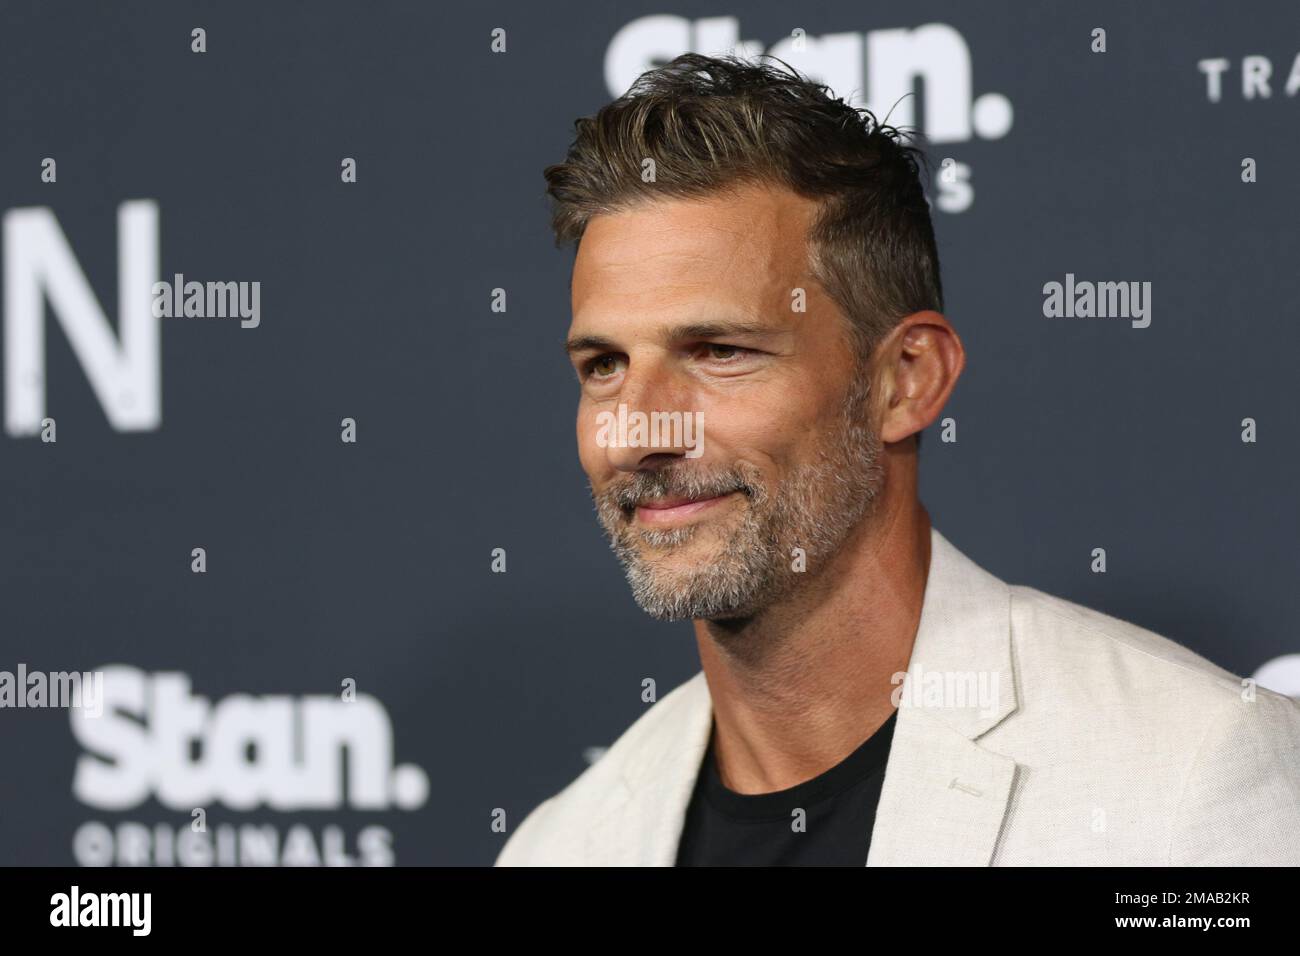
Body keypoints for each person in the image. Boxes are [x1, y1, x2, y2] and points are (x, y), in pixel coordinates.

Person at [497, 53, 1300, 866]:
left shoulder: (1185, 778)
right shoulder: (562, 846)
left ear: (905, 380)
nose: (636, 434)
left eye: (718, 351)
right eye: (603, 366)